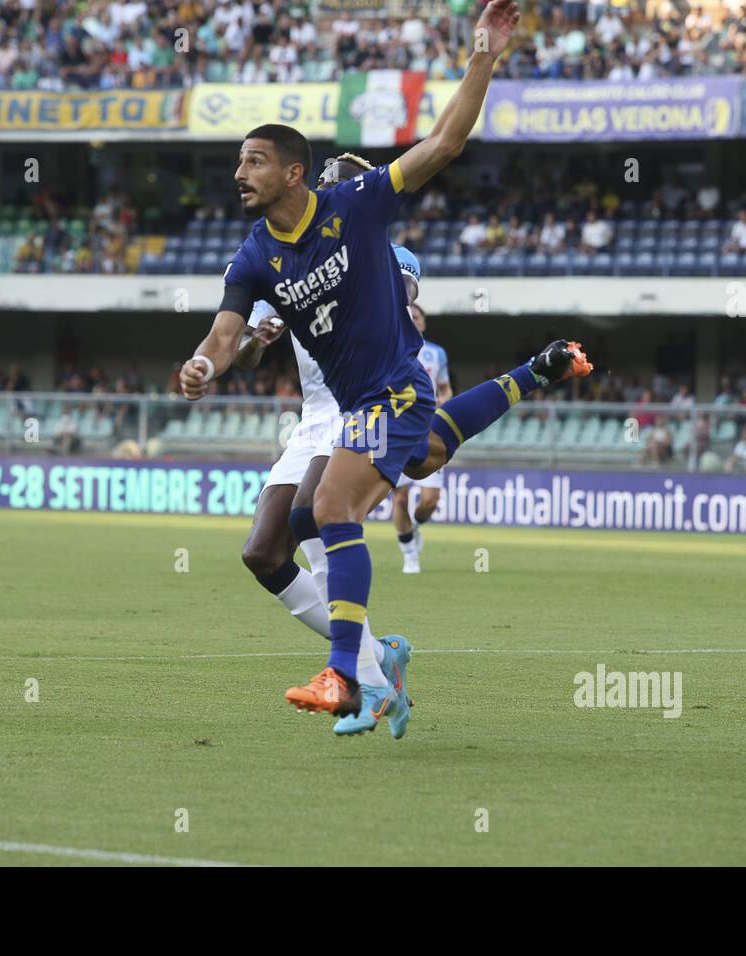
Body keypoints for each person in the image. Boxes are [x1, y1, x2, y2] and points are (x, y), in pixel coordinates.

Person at [177, 0, 590, 729]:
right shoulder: (254, 254)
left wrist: (484, 54)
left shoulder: (359, 208)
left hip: (382, 393)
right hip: (345, 406)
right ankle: (536, 371)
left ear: (300, 173)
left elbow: (444, 143)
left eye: (254, 159)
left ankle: (350, 674)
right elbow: (224, 333)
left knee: (327, 509)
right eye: (238, 159)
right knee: (416, 458)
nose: (238, 171)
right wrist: (206, 366)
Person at [234, 152, 427, 737]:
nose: (332, 192)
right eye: (326, 183)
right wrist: (258, 335)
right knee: (263, 552)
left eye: (343, 185)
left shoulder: (382, 251)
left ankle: (358, 676)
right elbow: (245, 351)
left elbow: (409, 311)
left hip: (364, 404)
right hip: (313, 418)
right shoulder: (284, 257)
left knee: (313, 516)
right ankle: (377, 655)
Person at [394, 303, 452, 574]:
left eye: (416, 317)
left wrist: (443, 404)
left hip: (428, 430)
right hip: (397, 429)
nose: (413, 321)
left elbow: (445, 388)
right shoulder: (390, 348)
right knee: (400, 498)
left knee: (429, 500)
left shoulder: (436, 353)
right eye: (408, 317)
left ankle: (415, 528)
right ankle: (409, 556)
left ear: (424, 323)